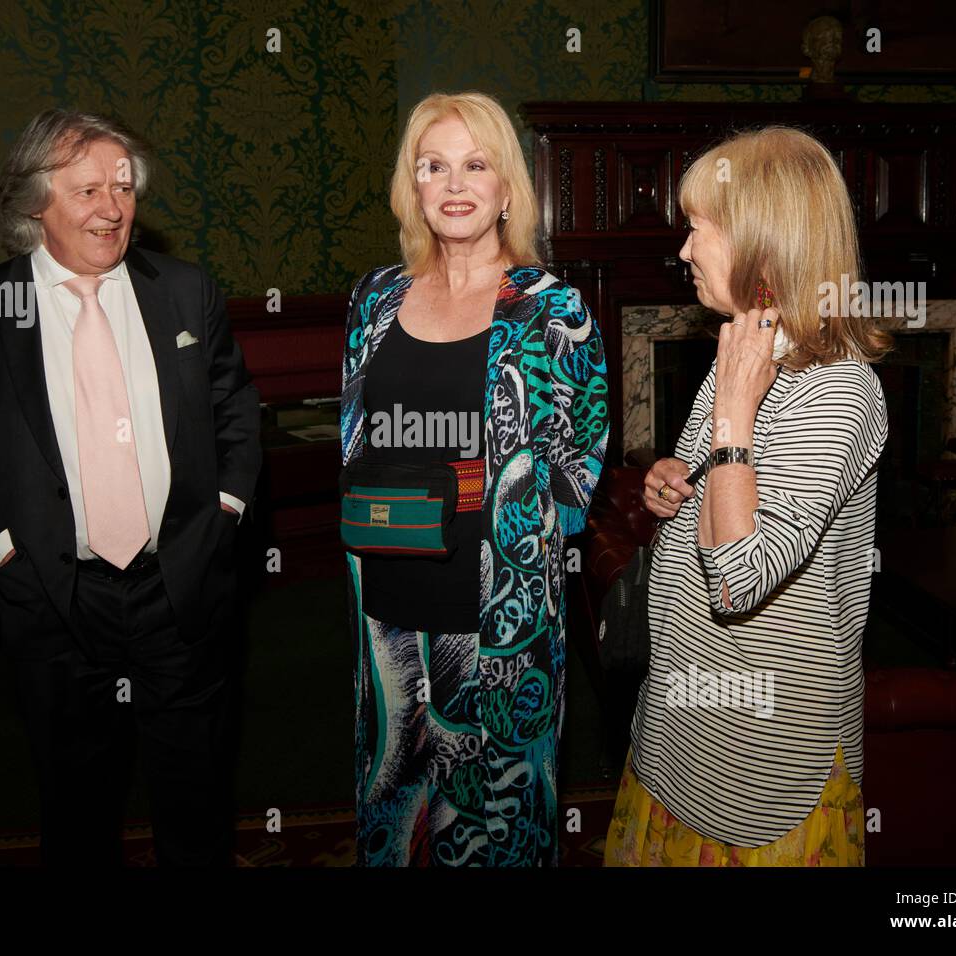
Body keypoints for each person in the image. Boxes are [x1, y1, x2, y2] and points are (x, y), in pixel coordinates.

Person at [0, 108, 261, 866]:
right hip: (55, 598)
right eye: (88, 190)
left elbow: (234, 407)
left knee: (197, 798)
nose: (113, 208)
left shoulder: (185, 291)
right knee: (75, 806)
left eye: (123, 188)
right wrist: (5, 551)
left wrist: (223, 513)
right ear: (36, 202)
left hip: (182, 586)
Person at [605, 126, 891, 867]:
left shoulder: (841, 388)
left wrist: (733, 411)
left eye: (699, 229)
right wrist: (676, 479)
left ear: (763, 244)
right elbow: (722, 484)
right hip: (679, 728)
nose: (684, 251)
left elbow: (737, 578)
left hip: (764, 765)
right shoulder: (744, 347)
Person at [341, 91, 609, 867]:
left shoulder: (552, 310)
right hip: (387, 604)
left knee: (499, 834)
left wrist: (490, 513)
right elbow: (356, 446)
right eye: (434, 166)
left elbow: (579, 471)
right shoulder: (374, 298)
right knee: (394, 824)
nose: (454, 184)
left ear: (506, 188)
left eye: (475, 164)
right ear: (412, 186)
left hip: (500, 616)